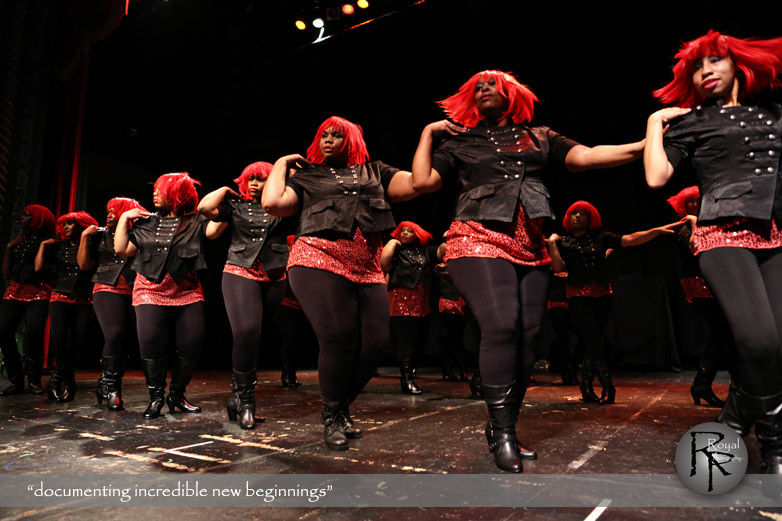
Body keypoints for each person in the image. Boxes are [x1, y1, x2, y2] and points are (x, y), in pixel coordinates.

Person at [412, 69, 646, 473]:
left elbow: (588, 156)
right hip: (477, 236)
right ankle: (503, 433)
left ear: (511, 94)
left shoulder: (541, 136)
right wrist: (429, 134)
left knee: (528, 338)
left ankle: (504, 424)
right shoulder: (462, 140)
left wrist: (646, 144)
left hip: (530, 245)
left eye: (492, 85)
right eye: (478, 87)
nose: (484, 90)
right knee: (501, 325)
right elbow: (423, 182)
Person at [645, 30, 782, 474]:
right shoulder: (693, 122)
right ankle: (776, 447)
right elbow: (656, 177)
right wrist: (655, 123)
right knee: (758, 341)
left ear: (737, 63)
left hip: (775, 232)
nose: (706, 71)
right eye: (697, 66)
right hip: (722, 233)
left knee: (776, 346)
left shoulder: (774, 114)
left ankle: (735, 417)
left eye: (715, 61)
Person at [262, 115, 419, 450]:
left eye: (336, 135)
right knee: (338, 336)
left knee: (376, 344)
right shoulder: (307, 176)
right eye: (324, 135)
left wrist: (430, 135)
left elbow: (420, 183)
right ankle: (333, 415)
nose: (328, 140)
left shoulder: (376, 172)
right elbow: (273, 203)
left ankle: (340, 405)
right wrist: (282, 163)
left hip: (366, 265)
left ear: (352, 141)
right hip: (317, 257)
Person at [546, 201, 680, 405]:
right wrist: (552, 245)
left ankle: (586, 386)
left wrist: (655, 231)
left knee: (594, 340)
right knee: (593, 339)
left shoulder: (601, 237)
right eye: (574, 213)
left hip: (603, 294)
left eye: (582, 213)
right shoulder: (564, 241)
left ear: (590, 218)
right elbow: (557, 269)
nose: (577, 216)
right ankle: (608, 386)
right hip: (578, 295)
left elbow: (630, 239)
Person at [198, 161, 290, 429]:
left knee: (255, 338)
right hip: (240, 270)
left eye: (261, 179)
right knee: (246, 332)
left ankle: (236, 398)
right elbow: (204, 208)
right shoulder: (236, 206)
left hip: (274, 275)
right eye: (251, 179)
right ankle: (247, 403)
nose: (254, 184)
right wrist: (225, 190)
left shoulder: (284, 206)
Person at [114, 172, 208, 419]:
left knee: (192, 344)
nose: (155, 193)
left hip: (186, 290)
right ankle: (156, 397)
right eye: (155, 189)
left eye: (161, 189)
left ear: (178, 194)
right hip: (149, 289)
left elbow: (216, 230)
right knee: (151, 345)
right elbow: (122, 249)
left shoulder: (196, 221)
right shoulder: (145, 222)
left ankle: (176, 394)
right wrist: (124, 218)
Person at [666, 186, 735, 408]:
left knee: (720, 332)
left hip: (714, 281)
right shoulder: (683, 227)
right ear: (683, 206)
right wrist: (695, 222)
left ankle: (703, 384)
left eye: (698, 200)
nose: (695, 205)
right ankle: (727, 386)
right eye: (690, 202)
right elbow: (695, 247)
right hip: (698, 282)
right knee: (725, 330)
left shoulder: (712, 223)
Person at [78, 197, 145, 411]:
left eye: (114, 211)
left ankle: (105, 383)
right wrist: (84, 237)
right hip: (106, 284)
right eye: (107, 211)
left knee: (127, 339)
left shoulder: (140, 233)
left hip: (134, 287)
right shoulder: (99, 235)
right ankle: (111, 387)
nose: (109, 215)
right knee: (114, 334)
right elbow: (84, 265)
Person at [36, 211, 99, 402]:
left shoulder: (93, 246)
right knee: (59, 338)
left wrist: (85, 238)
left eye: (70, 223)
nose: (65, 227)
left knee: (78, 341)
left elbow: (85, 266)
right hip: (60, 295)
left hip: (84, 297)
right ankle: (67, 381)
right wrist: (42, 245)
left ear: (81, 225)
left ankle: (57, 377)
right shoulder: (58, 247)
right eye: (63, 224)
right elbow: (38, 268)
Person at [0, 205, 56, 395]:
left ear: (38, 218)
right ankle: (16, 379)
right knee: (3, 330)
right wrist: (8, 248)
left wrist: (43, 246)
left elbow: (41, 269)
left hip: (39, 289)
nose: (22, 218)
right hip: (16, 288)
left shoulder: (50, 241)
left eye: (27, 215)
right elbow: (7, 274)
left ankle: (33, 380)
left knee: (34, 333)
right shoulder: (21, 240)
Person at [380, 221, 434, 394]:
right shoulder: (396, 252)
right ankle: (406, 380)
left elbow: (443, 251)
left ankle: (411, 372)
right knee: (407, 339)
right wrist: (392, 242)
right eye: (402, 231)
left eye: (409, 231)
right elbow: (383, 264)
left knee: (419, 338)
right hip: (401, 300)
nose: (404, 233)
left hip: (421, 302)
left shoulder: (426, 251)